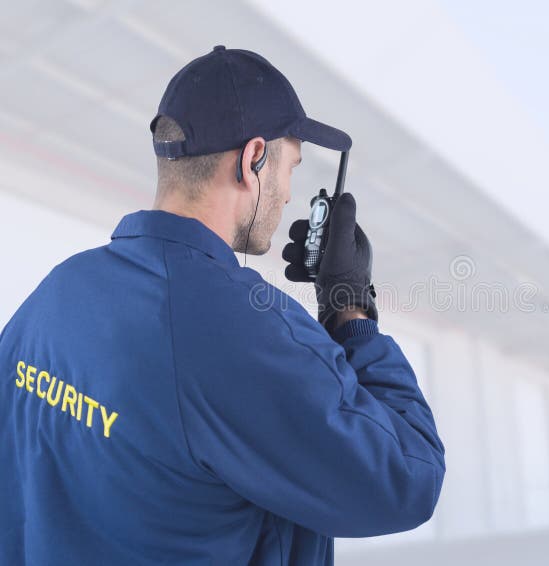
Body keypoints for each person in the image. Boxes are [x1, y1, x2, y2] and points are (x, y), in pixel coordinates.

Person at [0, 45, 445, 565]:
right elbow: (410, 479)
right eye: (290, 168)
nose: (285, 195)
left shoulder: (56, 292)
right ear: (252, 159)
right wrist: (350, 310)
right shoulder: (252, 330)